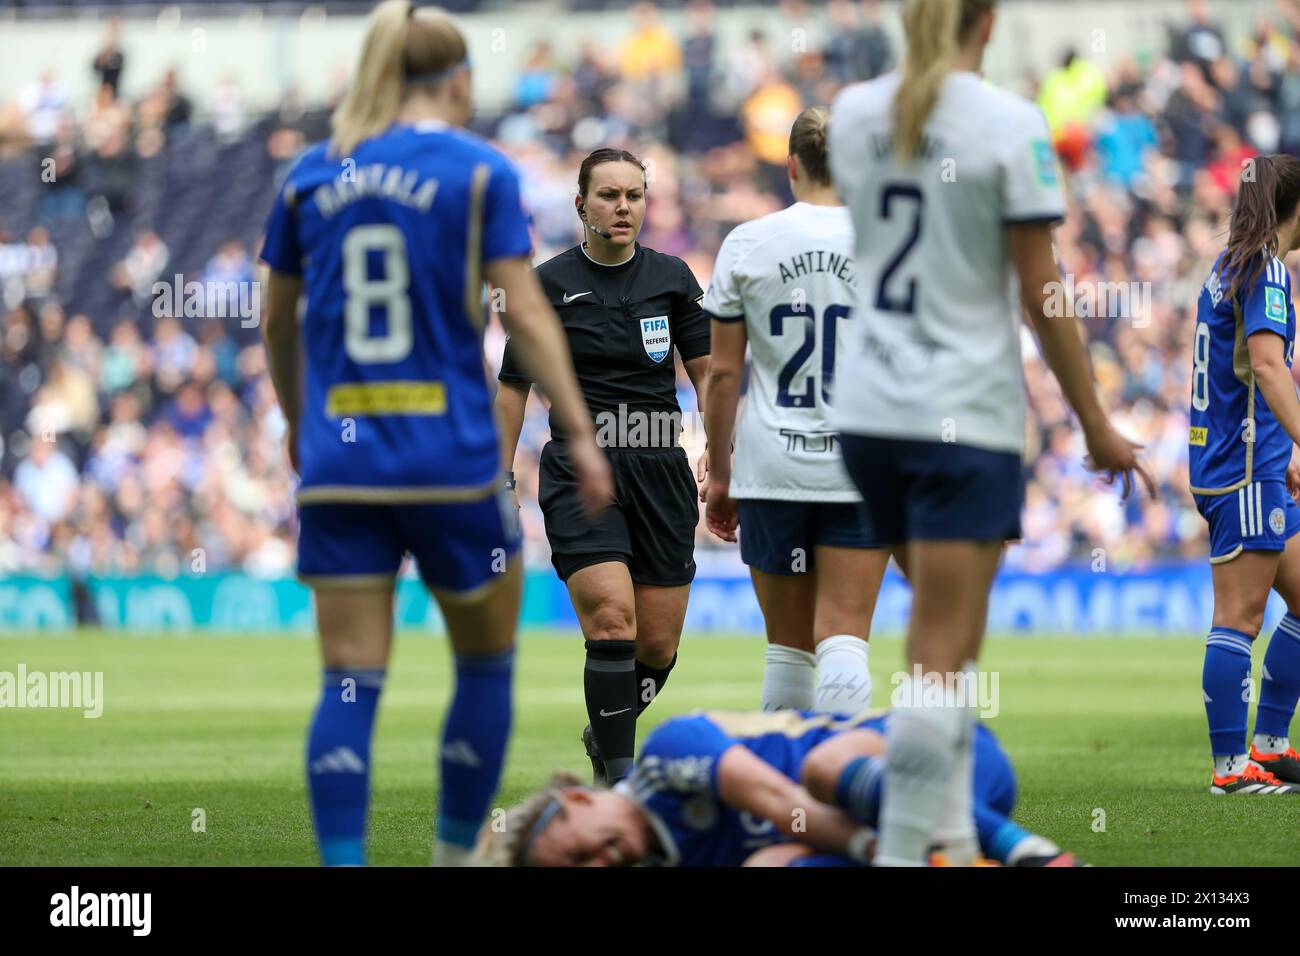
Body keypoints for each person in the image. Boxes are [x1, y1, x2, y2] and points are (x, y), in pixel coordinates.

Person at [258, 0, 611, 867]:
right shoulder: (478, 172)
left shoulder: (308, 175)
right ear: (457, 81)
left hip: (343, 464)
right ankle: (454, 861)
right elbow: (523, 311)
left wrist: (300, 419)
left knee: (347, 680)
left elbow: (276, 320)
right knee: (485, 668)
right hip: (450, 462)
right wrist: (579, 429)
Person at [827, 0, 1151, 866]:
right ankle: (903, 856)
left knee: (943, 646)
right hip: (960, 412)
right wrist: (1094, 420)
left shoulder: (856, 111)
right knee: (941, 650)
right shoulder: (1010, 123)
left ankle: (959, 838)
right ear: (989, 20)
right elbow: (1041, 290)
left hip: (867, 411)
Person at [494, 147, 711, 788]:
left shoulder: (673, 278)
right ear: (581, 204)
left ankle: (607, 730)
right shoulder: (546, 285)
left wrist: (721, 457)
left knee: (658, 646)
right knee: (612, 619)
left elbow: (711, 378)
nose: (623, 207)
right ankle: (622, 785)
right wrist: (500, 481)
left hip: (661, 469)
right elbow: (512, 390)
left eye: (634, 196)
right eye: (610, 195)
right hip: (579, 471)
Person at [703, 106, 883, 715]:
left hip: (772, 463)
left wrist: (721, 474)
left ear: (791, 165)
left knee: (786, 649)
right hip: (862, 463)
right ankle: (847, 790)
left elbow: (724, 372)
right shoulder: (888, 243)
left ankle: (790, 804)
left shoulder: (748, 242)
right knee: (845, 639)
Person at [474, 708, 1080, 867]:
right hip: (919, 832)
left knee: (820, 770)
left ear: (577, 800)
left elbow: (782, 803)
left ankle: (1023, 849)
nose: (602, 862)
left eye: (580, 852)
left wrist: (882, 852)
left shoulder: (665, 756)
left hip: (952, 766)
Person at [1189, 153, 1300, 795]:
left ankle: (1272, 744)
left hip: (1247, 458)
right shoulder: (1268, 268)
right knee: (1239, 617)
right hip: (1246, 465)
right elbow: (1265, 364)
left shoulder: (1232, 264)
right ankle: (1232, 771)